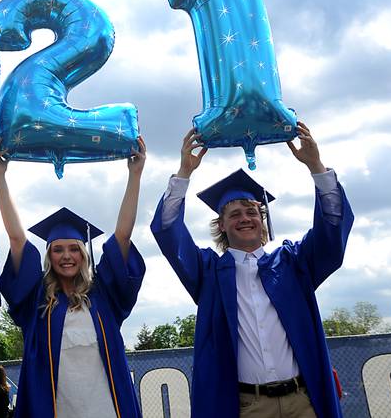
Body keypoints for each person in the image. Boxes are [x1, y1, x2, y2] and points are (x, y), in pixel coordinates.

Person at [149, 122, 353, 417]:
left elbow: (332, 231)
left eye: (251, 212)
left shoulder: (293, 263)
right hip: (248, 407)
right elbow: (168, 232)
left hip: (303, 401)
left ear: (262, 219)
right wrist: (184, 174)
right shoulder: (208, 273)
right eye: (234, 214)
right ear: (221, 225)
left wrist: (316, 166)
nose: (244, 219)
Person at [0, 136, 147, 418]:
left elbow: (122, 235)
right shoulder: (37, 302)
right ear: (49, 256)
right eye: (58, 250)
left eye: (74, 249)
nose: (66, 256)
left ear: (84, 254)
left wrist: (134, 174)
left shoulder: (104, 296)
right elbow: (17, 238)